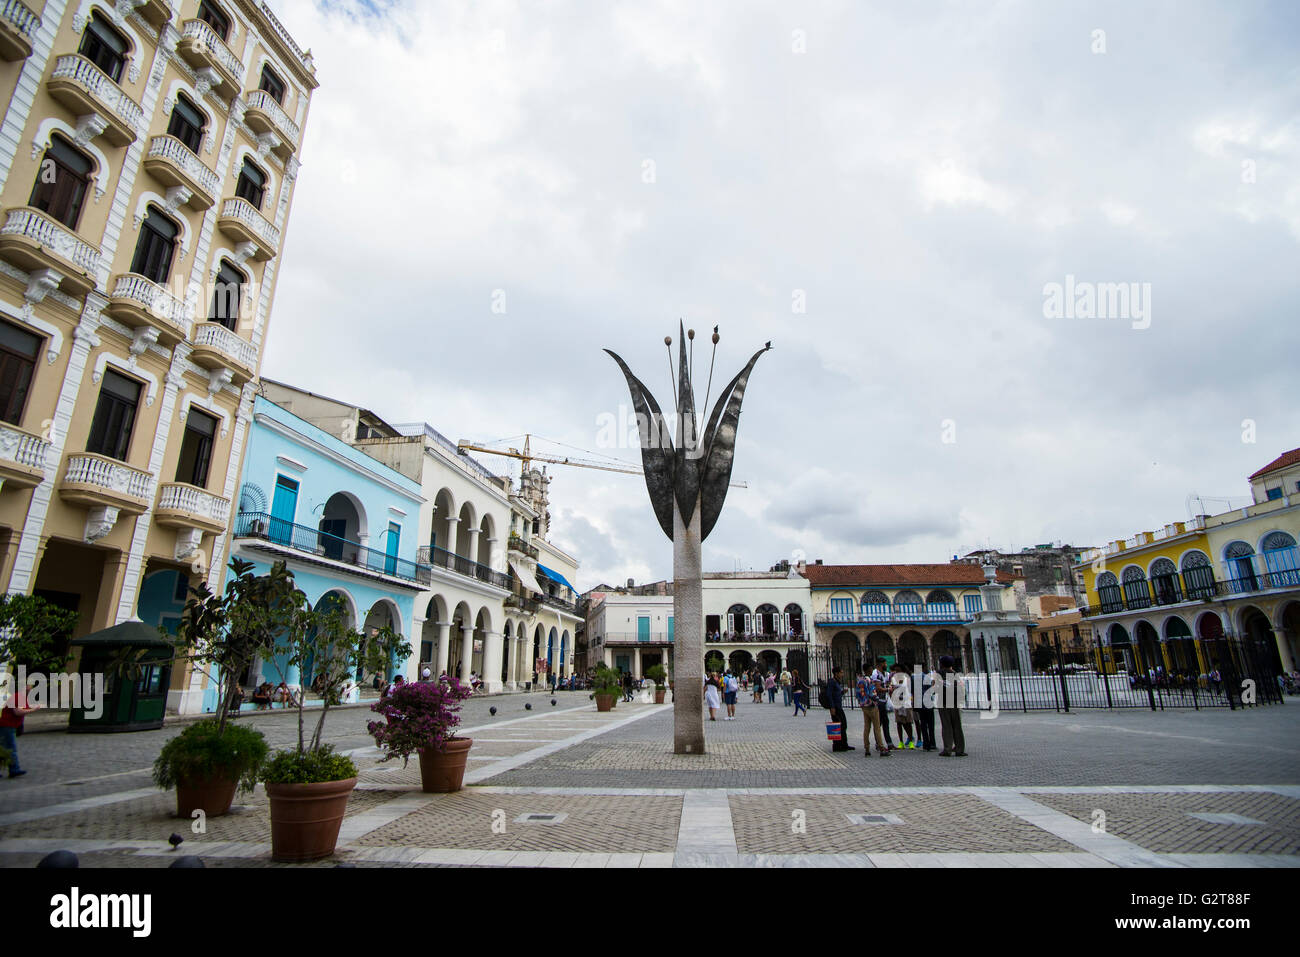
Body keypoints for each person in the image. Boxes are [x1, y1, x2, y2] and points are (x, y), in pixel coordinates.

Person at [0, 676, 35, 777]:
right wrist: (33, 710)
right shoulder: (18, 696)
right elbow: (18, 711)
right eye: (29, 687)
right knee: (10, 747)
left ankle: (13, 768)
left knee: (3, 747)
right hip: (7, 725)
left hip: (7, 724)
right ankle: (14, 769)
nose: (30, 689)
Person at [937, 655, 967, 757]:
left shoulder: (939, 674)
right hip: (955, 703)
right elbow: (962, 689)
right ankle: (959, 749)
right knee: (957, 727)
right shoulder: (955, 675)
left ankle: (947, 749)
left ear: (941, 664)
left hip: (943, 702)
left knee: (946, 726)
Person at [855, 669, 888, 756]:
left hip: (863, 706)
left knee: (867, 728)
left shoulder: (859, 681)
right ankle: (881, 748)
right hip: (871, 706)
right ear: (869, 670)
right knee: (877, 728)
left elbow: (857, 694)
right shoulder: (869, 681)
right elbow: (872, 694)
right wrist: (877, 700)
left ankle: (867, 748)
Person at [827, 666, 855, 752]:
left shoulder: (837, 682)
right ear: (836, 673)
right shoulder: (832, 682)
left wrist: (842, 692)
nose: (842, 674)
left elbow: (836, 693)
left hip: (839, 706)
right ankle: (837, 745)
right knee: (836, 726)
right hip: (835, 707)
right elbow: (829, 695)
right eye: (841, 672)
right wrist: (832, 707)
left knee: (843, 725)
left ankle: (844, 744)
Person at [871, 658, 895, 751]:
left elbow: (887, 684)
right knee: (880, 723)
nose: (886, 665)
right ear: (880, 664)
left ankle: (887, 743)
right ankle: (880, 743)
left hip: (884, 700)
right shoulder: (876, 674)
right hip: (879, 701)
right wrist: (888, 689)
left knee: (884, 722)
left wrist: (889, 687)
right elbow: (877, 688)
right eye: (885, 663)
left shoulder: (885, 674)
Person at [891, 665, 915, 749]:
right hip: (897, 703)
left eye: (898, 671)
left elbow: (910, 689)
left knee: (908, 722)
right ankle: (901, 741)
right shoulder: (894, 679)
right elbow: (892, 689)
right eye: (895, 671)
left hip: (906, 702)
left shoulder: (907, 679)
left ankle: (911, 740)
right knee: (899, 722)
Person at [916, 664, 937, 751]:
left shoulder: (915, 678)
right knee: (931, 724)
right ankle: (932, 743)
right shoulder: (927, 677)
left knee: (923, 724)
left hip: (920, 703)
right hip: (928, 703)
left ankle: (926, 743)